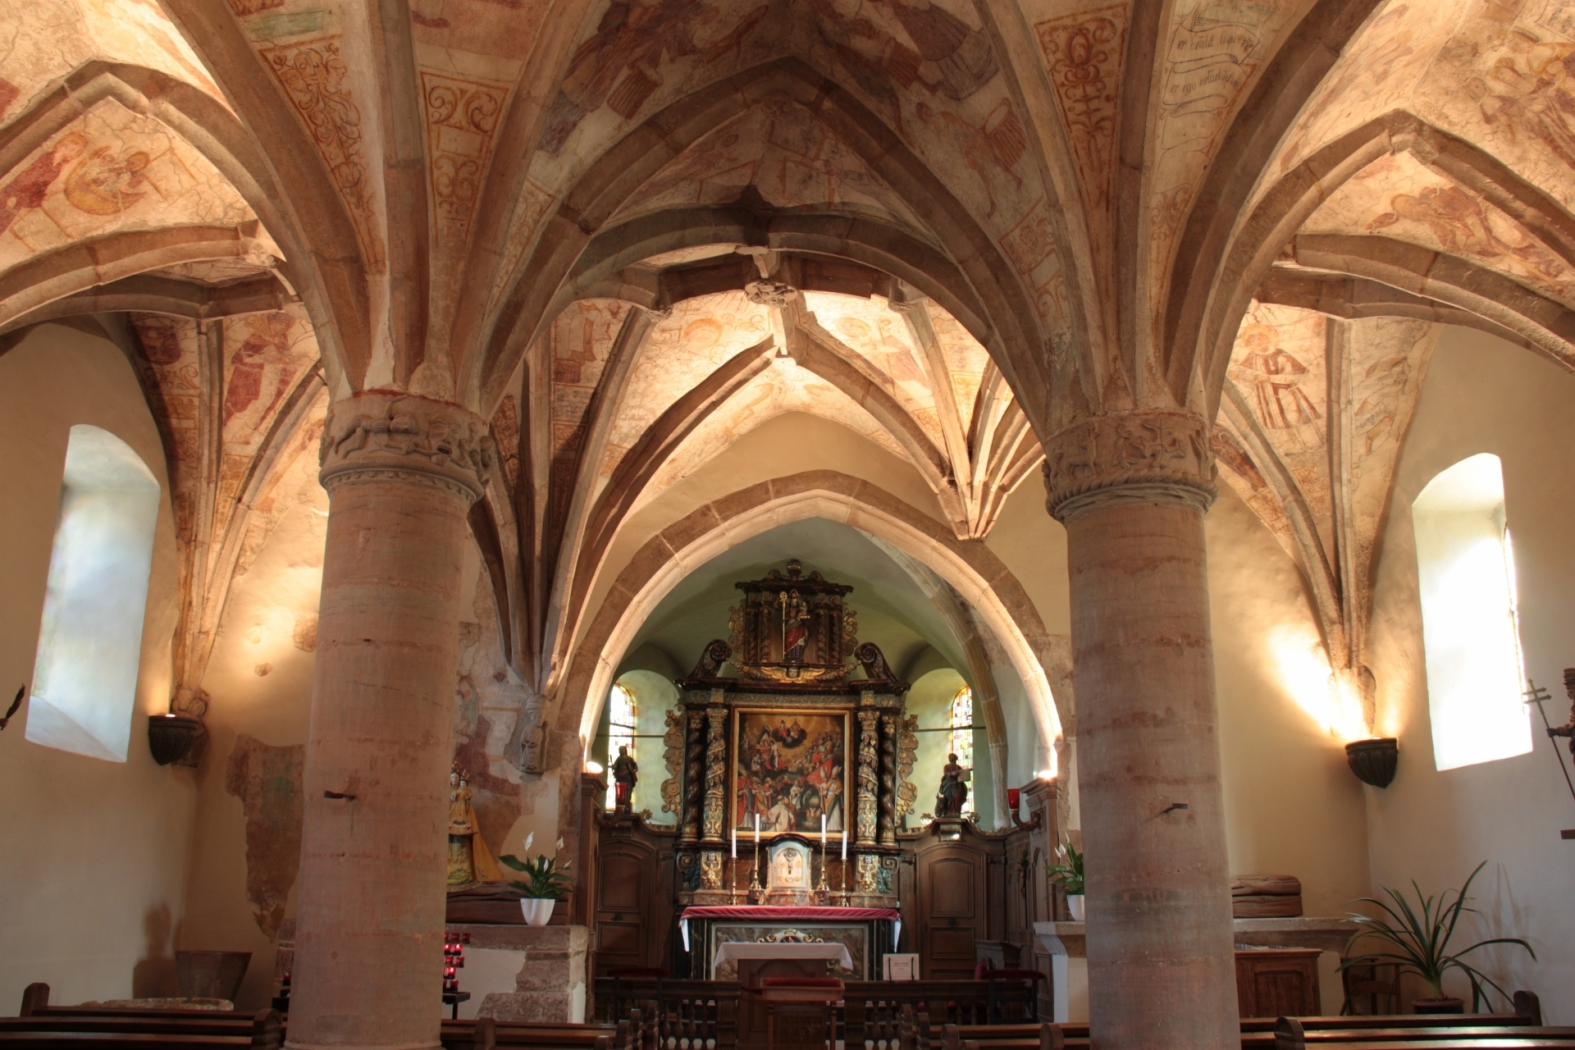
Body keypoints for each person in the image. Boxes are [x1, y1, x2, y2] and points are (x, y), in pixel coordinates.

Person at [447, 771, 503, 886]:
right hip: (449, 821)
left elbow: (468, 804)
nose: (454, 780)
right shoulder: (446, 790)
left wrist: (466, 800)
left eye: (456, 778)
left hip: (462, 821)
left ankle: (462, 871)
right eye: (452, 778)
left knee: (461, 845)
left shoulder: (464, 791)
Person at [935, 753, 970, 818]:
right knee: (948, 799)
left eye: (953, 757)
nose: (952, 758)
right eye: (951, 757)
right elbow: (946, 773)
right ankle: (948, 812)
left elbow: (962, 774)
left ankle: (956, 812)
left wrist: (964, 774)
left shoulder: (958, 767)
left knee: (957, 796)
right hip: (949, 784)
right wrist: (952, 773)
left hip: (957, 784)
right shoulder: (946, 766)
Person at [611, 744, 638, 810]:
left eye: (622, 749)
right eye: (620, 750)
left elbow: (636, 767)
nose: (621, 751)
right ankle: (619, 805)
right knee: (619, 791)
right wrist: (614, 766)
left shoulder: (629, 759)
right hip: (620, 777)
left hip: (627, 776)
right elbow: (615, 766)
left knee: (628, 790)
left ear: (625, 750)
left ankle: (626, 805)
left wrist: (632, 770)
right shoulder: (618, 759)